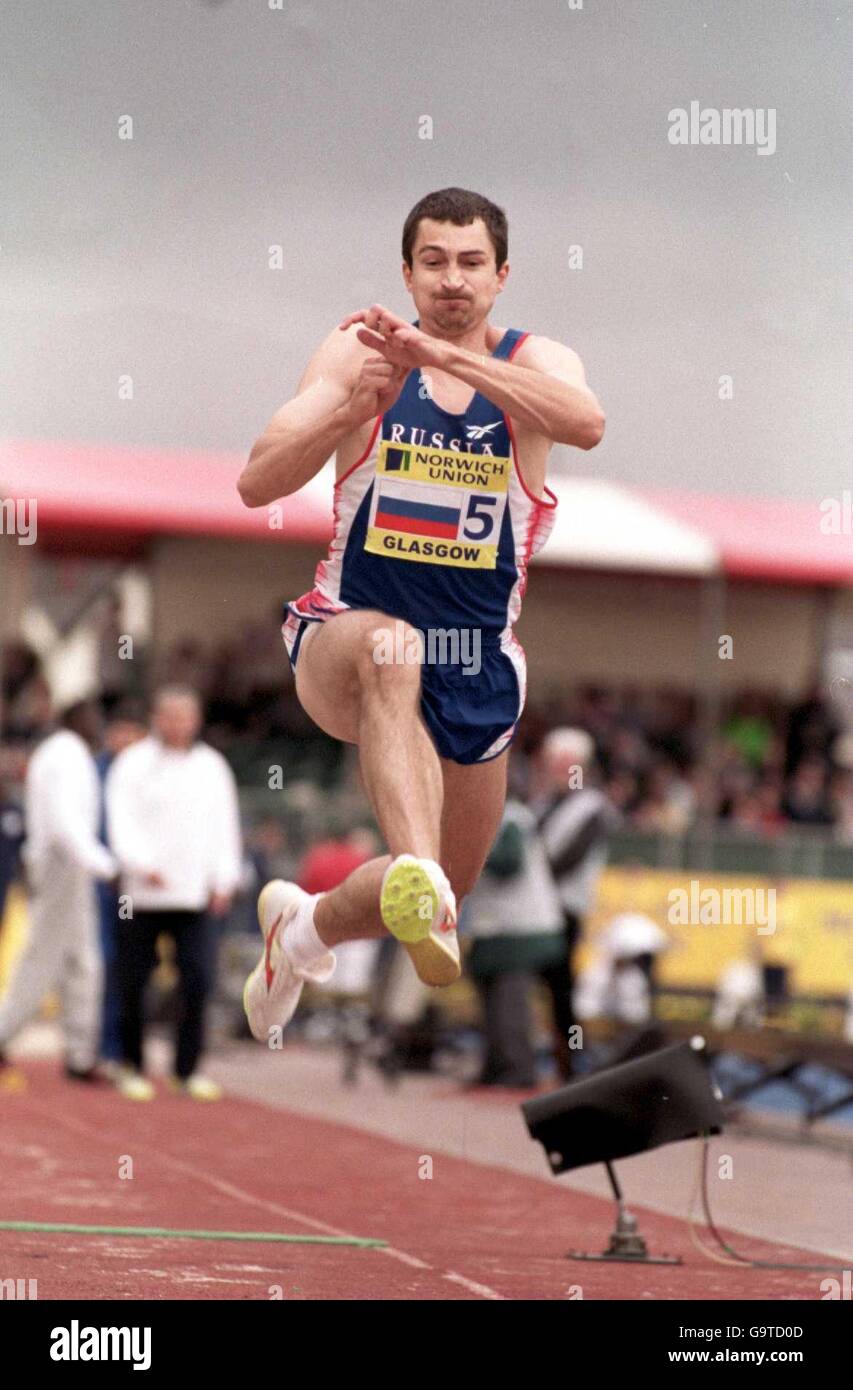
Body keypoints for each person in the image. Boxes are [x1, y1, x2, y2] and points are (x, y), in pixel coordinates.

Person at [237, 186, 605, 1041]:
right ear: (406, 273)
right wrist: (350, 406)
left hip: (475, 658)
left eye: (470, 263)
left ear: (500, 275)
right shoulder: (354, 350)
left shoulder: (535, 363)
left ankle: (300, 929)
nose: (451, 280)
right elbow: (257, 482)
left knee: (447, 887)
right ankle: (410, 869)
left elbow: (586, 424)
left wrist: (450, 361)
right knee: (392, 653)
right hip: (348, 634)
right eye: (433, 262)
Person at [105, 686, 242, 1100]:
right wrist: (142, 865)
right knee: (133, 981)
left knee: (198, 980)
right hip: (141, 895)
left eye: (185, 716)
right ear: (156, 717)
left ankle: (187, 1069)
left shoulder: (212, 767)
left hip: (195, 895)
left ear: (196, 720)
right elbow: (119, 820)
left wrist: (224, 879)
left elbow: (225, 827)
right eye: (170, 715)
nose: (177, 724)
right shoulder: (131, 764)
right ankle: (131, 1064)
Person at [0, 700, 118, 1080]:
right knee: (44, 957)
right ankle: (3, 1034)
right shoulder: (64, 755)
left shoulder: (67, 754)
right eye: (92, 718)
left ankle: (81, 1053)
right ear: (73, 720)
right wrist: (104, 864)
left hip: (68, 864)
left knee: (82, 961)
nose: (98, 725)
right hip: (61, 863)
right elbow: (66, 823)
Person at [463, 794, 567, 1088]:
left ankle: (519, 1069)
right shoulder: (480, 815)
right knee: (490, 1001)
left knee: (510, 1003)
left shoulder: (511, 816)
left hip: (521, 926)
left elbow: (509, 862)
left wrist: (468, 851)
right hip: (492, 927)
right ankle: (495, 1066)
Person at [533, 727, 619, 1076]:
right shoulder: (543, 804)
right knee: (542, 988)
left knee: (562, 990)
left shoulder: (592, 807)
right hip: (536, 910)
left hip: (565, 910)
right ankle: (550, 1056)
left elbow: (566, 860)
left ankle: (571, 1059)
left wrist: (533, 877)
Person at [94, 700, 148, 1070]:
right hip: (101, 879)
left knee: (131, 967)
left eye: (130, 732)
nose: (122, 739)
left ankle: (121, 1049)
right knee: (103, 962)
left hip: (142, 881)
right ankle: (99, 1044)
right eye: (117, 731)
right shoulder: (94, 771)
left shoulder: (149, 771)